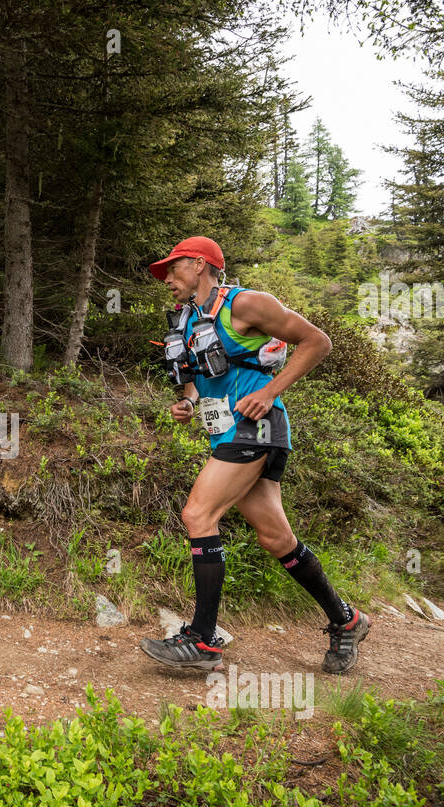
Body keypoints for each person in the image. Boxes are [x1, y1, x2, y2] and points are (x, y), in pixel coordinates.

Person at [137, 236, 370, 674]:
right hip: (225, 430)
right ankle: (347, 620)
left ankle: (202, 642)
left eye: (174, 268)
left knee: (198, 515)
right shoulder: (187, 319)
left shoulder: (245, 304)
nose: (167, 279)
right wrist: (188, 402)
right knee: (276, 539)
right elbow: (196, 377)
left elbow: (317, 342)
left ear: (201, 265)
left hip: (257, 426)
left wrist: (268, 391)